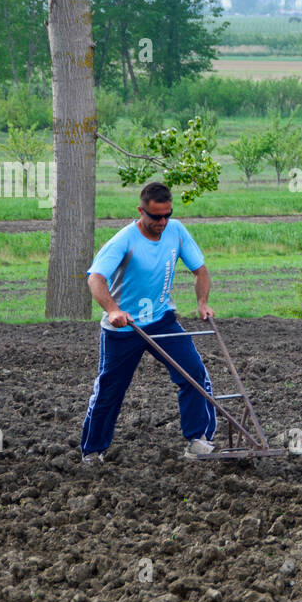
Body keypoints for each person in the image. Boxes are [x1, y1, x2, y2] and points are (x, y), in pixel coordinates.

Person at [80, 181, 218, 462]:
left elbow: (200, 271)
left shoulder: (176, 231)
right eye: (156, 216)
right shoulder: (124, 240)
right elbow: (96, 277)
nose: (162, 221)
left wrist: (202, 303)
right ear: (141, 211)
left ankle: (197, 440)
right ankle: (93, 451)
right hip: (125, 328)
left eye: (167, 214)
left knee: (194, 374)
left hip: (162, 320)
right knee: (110, 390)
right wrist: (112, 310)